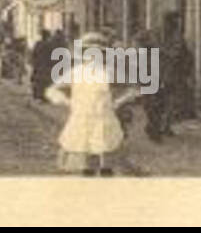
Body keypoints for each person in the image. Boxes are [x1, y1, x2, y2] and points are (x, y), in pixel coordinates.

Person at [50, 31, 137, 175]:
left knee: (106, 154)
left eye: (98, 53)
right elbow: (53, 90)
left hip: (103, 116)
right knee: (87, 156)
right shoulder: (76, 72)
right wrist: (68, 102)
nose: (93, 57)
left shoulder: (109, 72)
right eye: (88, 53)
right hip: (83, 117)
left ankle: (105, 178)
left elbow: (132, 90)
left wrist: (117, 102)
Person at [30, 29, 54, 101]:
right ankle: (42, 95)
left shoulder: (38, 43)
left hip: (38, 64)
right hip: (44, 65)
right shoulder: (49, 45)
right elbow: (51, 55)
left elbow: (34, 53)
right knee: (44, 80)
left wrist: (34, 62)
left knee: (38, 79)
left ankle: (37, 94)